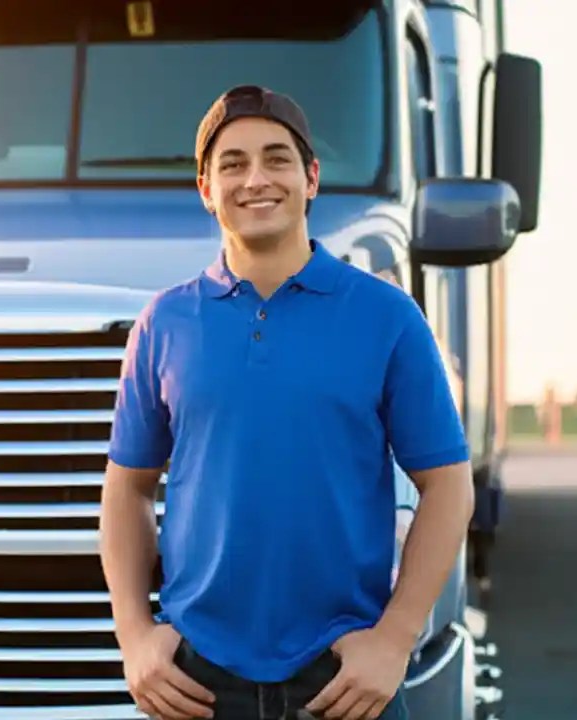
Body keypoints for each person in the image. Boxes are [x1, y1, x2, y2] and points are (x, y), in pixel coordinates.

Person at [98, 84, 475, 720]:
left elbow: (449, 486)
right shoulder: (163, 324)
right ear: (205, 188)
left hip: (344, 680)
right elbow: (126, 490)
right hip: (196, 683)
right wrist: (135, 637)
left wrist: (394, 640)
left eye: (277, 158)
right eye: (232, 164)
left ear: (311, 178)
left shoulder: (387, 317)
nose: (256, 180)